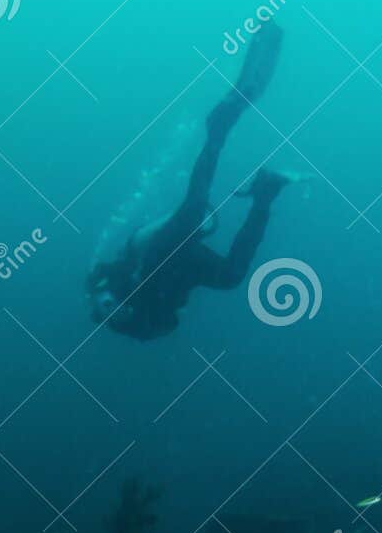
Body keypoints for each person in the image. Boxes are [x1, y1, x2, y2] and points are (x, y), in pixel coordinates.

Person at [87, 22, 290, 338]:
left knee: (193, 211)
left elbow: (108, 275)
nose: (116, 309)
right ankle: (265, 194)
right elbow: (167, 324)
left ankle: (218, 128)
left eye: (110, 308)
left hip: (155, 250)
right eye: (116, 313)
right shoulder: (143, 323)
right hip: (181, 268)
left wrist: (110, 289)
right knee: (230, 277)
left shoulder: (112, 288)